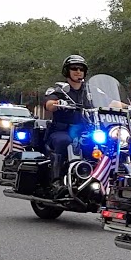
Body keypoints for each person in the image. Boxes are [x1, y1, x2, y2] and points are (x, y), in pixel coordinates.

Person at [43, 55, 95, 194]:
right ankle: (56, 182)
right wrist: (57, 104)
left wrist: (125, 106)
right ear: (67, 71)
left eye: (81, 69)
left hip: (84, 131)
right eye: (74, 68)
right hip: (61, 131)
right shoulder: (60, 90)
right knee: (64, 142)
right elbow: (49, 104)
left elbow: (108, 101)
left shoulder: (90, 91)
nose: (78, 71)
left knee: (105, 144)